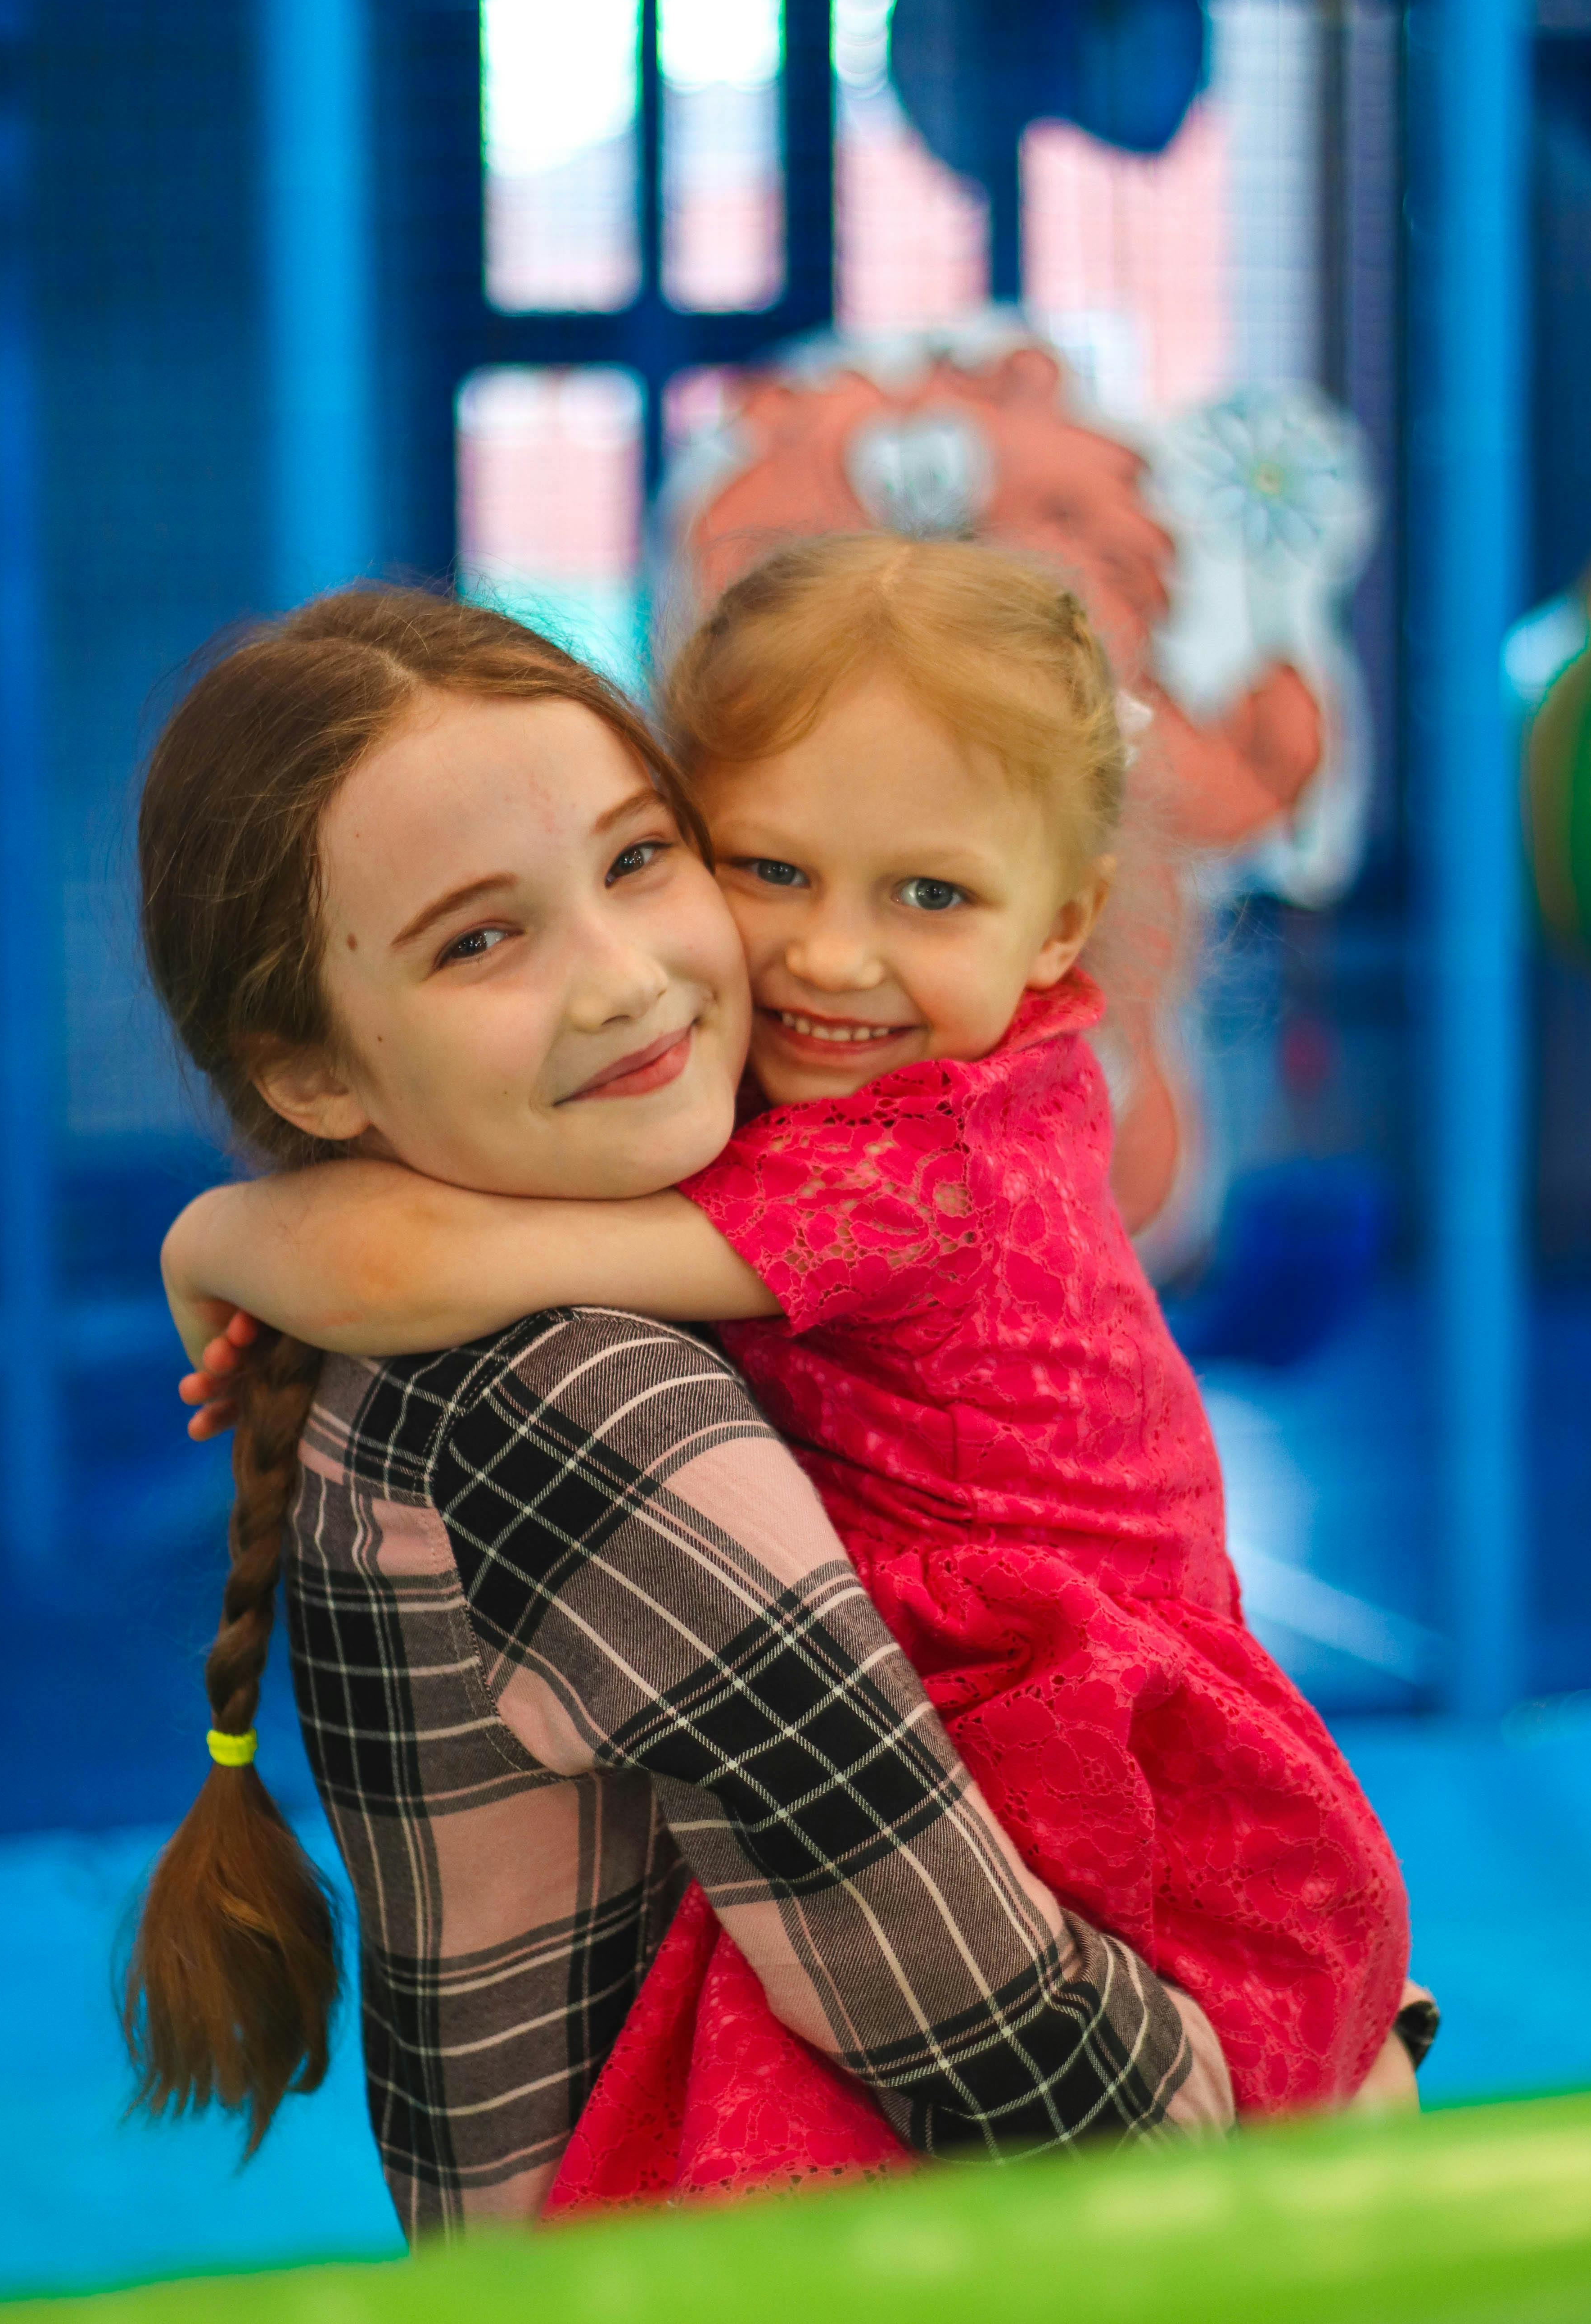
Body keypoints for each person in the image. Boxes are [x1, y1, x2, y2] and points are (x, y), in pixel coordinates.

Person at [164, 543, 1433, 2213]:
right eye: (768, 868)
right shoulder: (579, 1398)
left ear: (1060, 924)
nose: (825, 961)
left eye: (639, 861)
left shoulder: (905, 1161)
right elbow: (1073, 2117)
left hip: (1074, 1715)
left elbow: (404, 1266)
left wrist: (222, 1233)